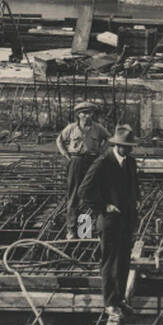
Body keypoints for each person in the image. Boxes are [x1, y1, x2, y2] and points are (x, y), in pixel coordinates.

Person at [80, 125, 139, 317]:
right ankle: (110, 303)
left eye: (130, 146)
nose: (129, 150)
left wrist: (136, 199)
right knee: (110, 261)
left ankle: (120, 299)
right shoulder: (103, 162)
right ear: (117, 145)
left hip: (126, 220)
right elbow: (84, 191)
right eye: (126, 146)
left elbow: (134, 185)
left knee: (123, 262)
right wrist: (104, 206)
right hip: (110, 222)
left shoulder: (130, 162)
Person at [55, 102, 109, 238]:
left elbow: (109, 139)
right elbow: (59, 140)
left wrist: (102, 152)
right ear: (78, 115)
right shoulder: (71, 128)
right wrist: (66, 154)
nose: (86, 116)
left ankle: (92, 229)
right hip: (76, 161)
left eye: (89, 113)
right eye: (83, 113)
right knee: (74, 194)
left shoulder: (98, 128)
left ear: (93, 114)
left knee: (93, 192)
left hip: (92, 161)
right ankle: (71, 230)